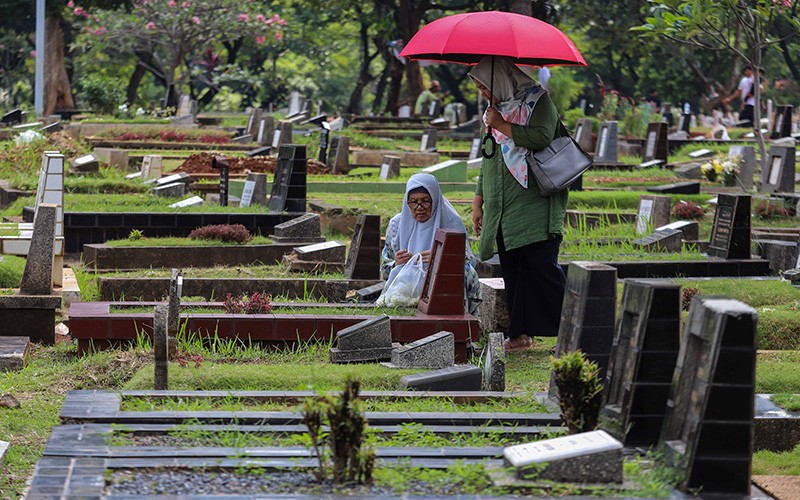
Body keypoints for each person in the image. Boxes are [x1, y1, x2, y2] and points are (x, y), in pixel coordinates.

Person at [469, 56, 568, 352]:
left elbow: (541, 137)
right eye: (478, 87)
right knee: (513, 270)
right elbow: (490, 158)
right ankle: (520, 333)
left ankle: (574, 328)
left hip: (535, 203)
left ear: (500, 80)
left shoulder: (539, 102)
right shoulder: (495, 112)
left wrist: (502, 124)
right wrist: (478, 200)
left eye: (484, 86)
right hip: (503, 205)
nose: (482, 93)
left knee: (541, 268)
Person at [381, 173, 481, 315]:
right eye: (413, 202)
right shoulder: (396, 226)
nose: (419, 207)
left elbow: (469, 264)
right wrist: (396, 263)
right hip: (404, 292)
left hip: (443, 286)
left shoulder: (451, 222)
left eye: (425, 201)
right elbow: (385, 269)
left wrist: (441, 260)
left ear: (435, 200)